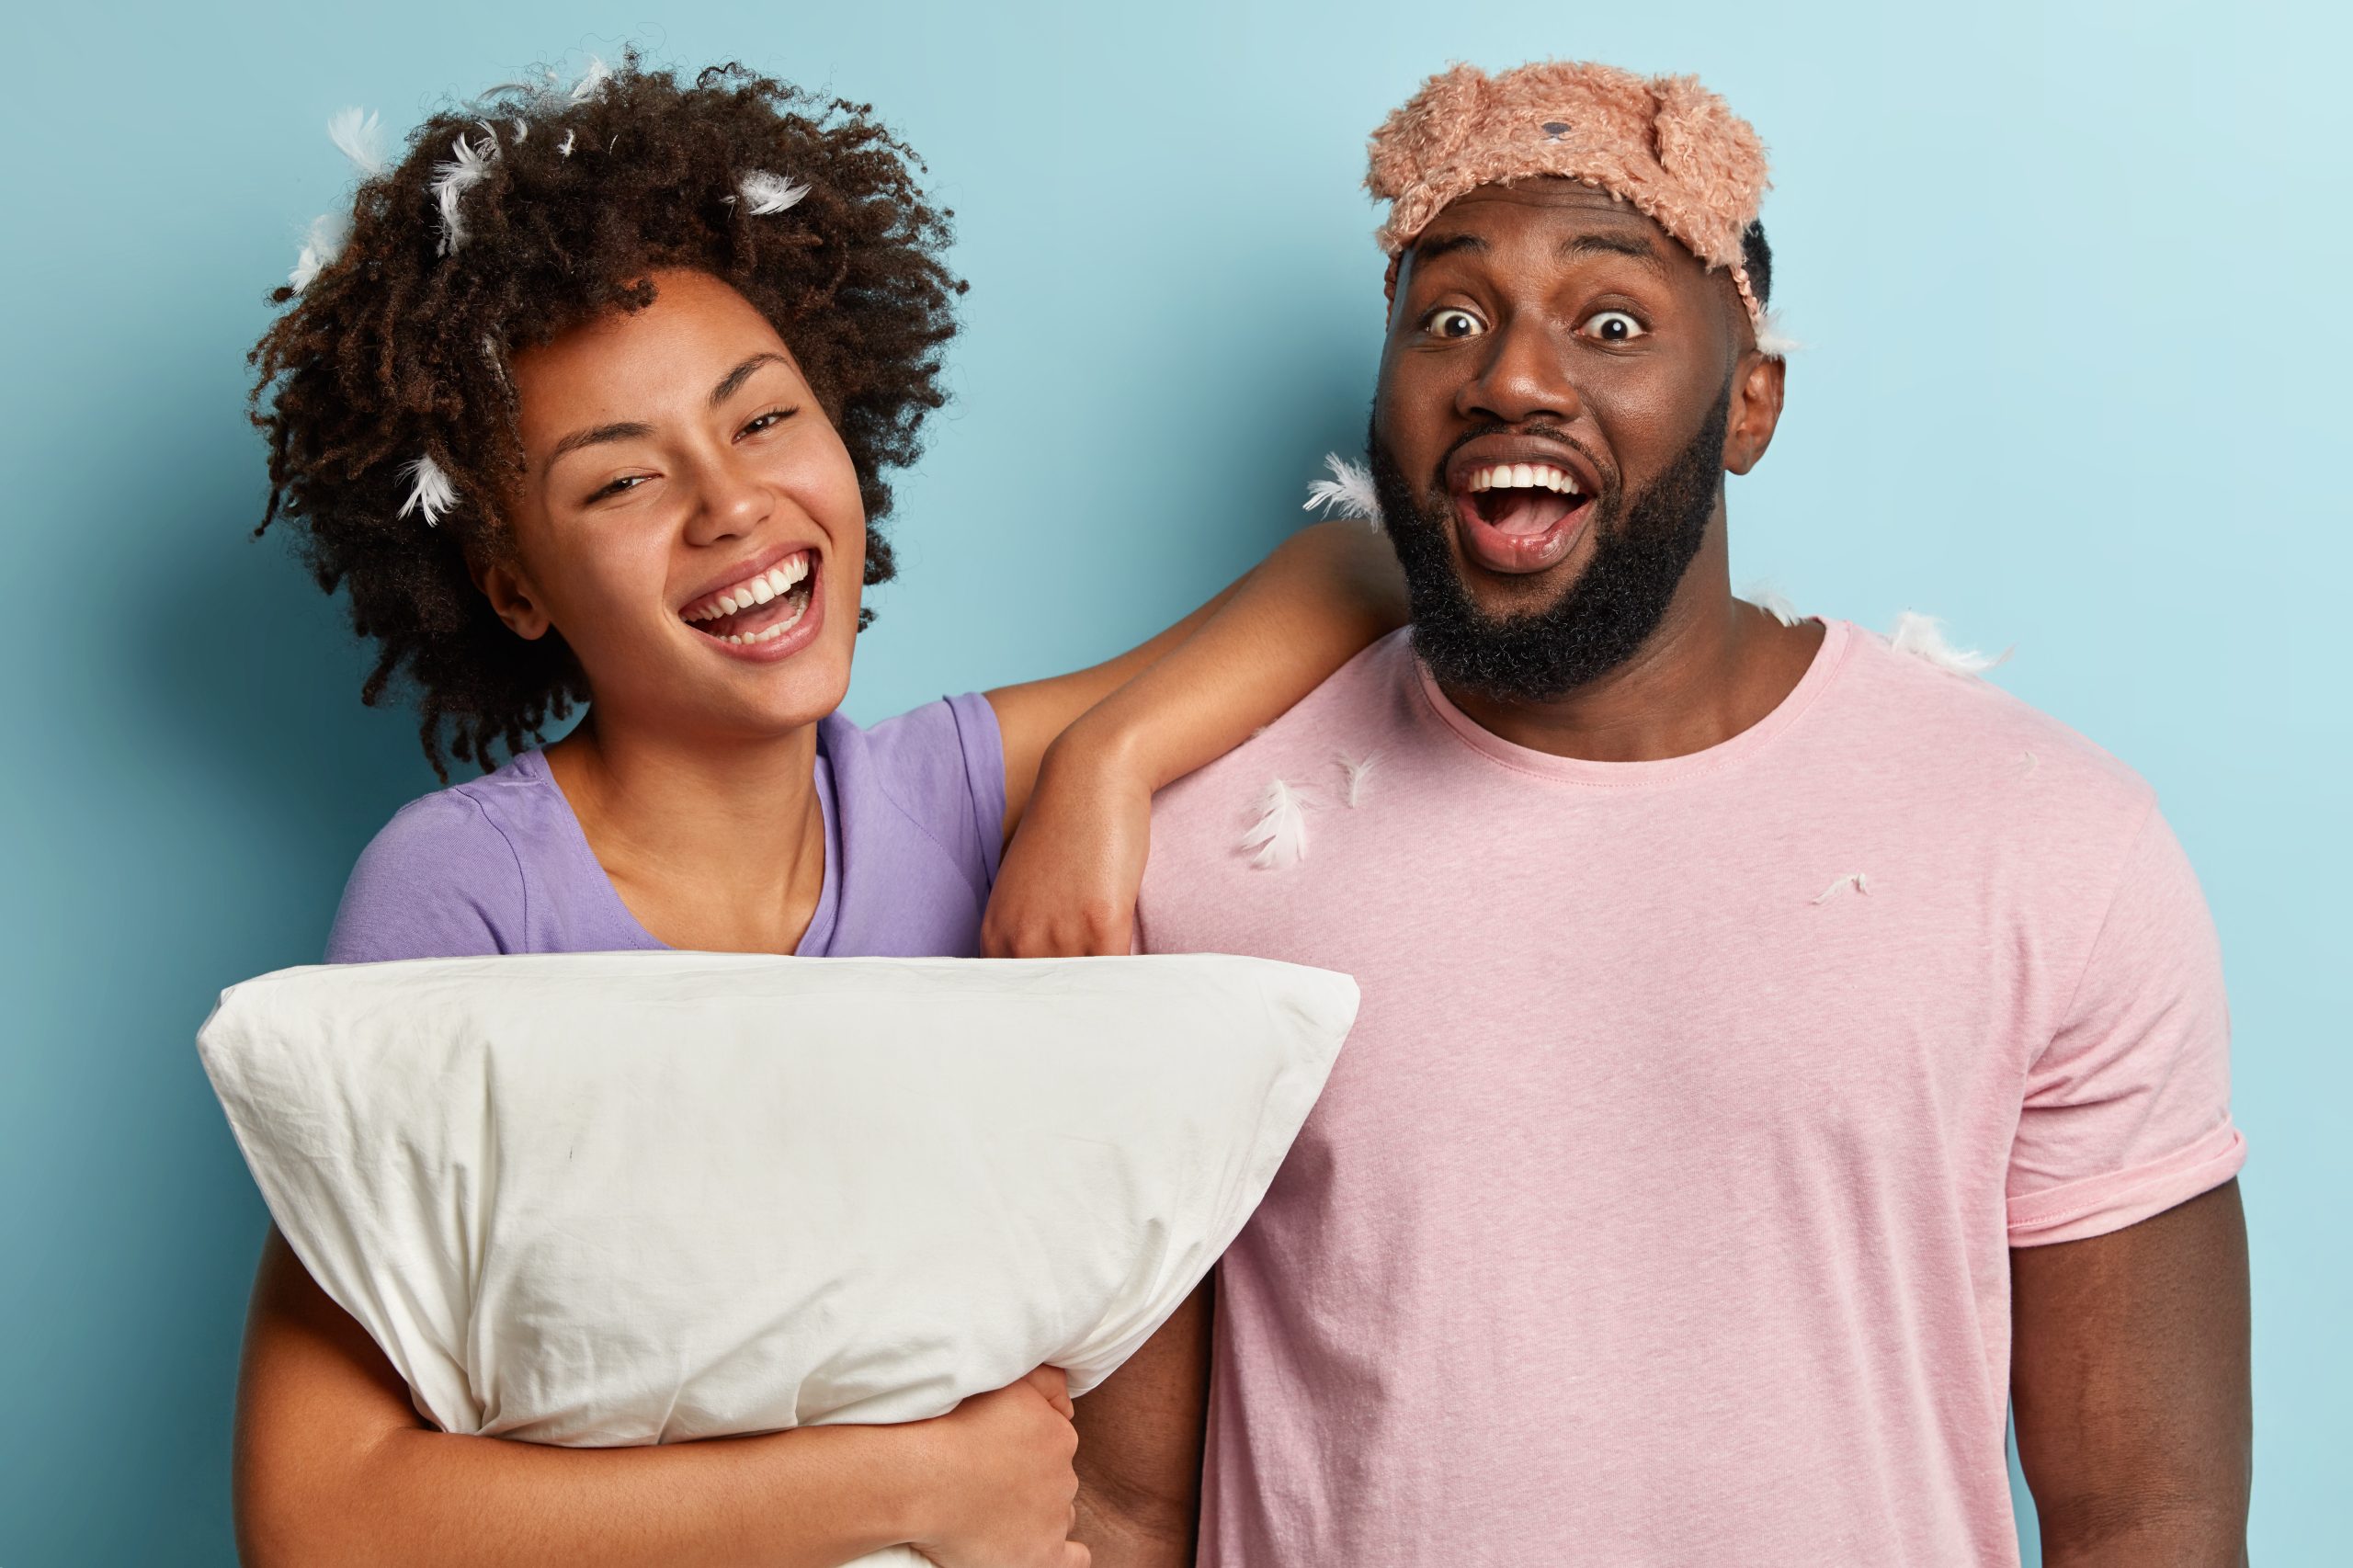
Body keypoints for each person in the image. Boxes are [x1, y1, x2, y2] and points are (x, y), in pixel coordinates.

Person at [1075, 60, 2252, 1567]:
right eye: (1448, 318)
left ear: (1750, 399)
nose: (1509, 375)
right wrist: (1103, 771)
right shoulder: (1191, 860)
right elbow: (1114, 1510)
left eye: (1611, 321)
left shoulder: (2051, 842)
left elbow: (2148, 1515)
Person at [233, 55, 1404, 1568]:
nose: (729, 505)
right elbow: (320, 1515)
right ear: (511, 584)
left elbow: (1368, 566)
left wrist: (1109, 762)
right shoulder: (458, 896)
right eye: (617, 483)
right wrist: (906, 1485)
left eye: (765, 419)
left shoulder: (943, 797)